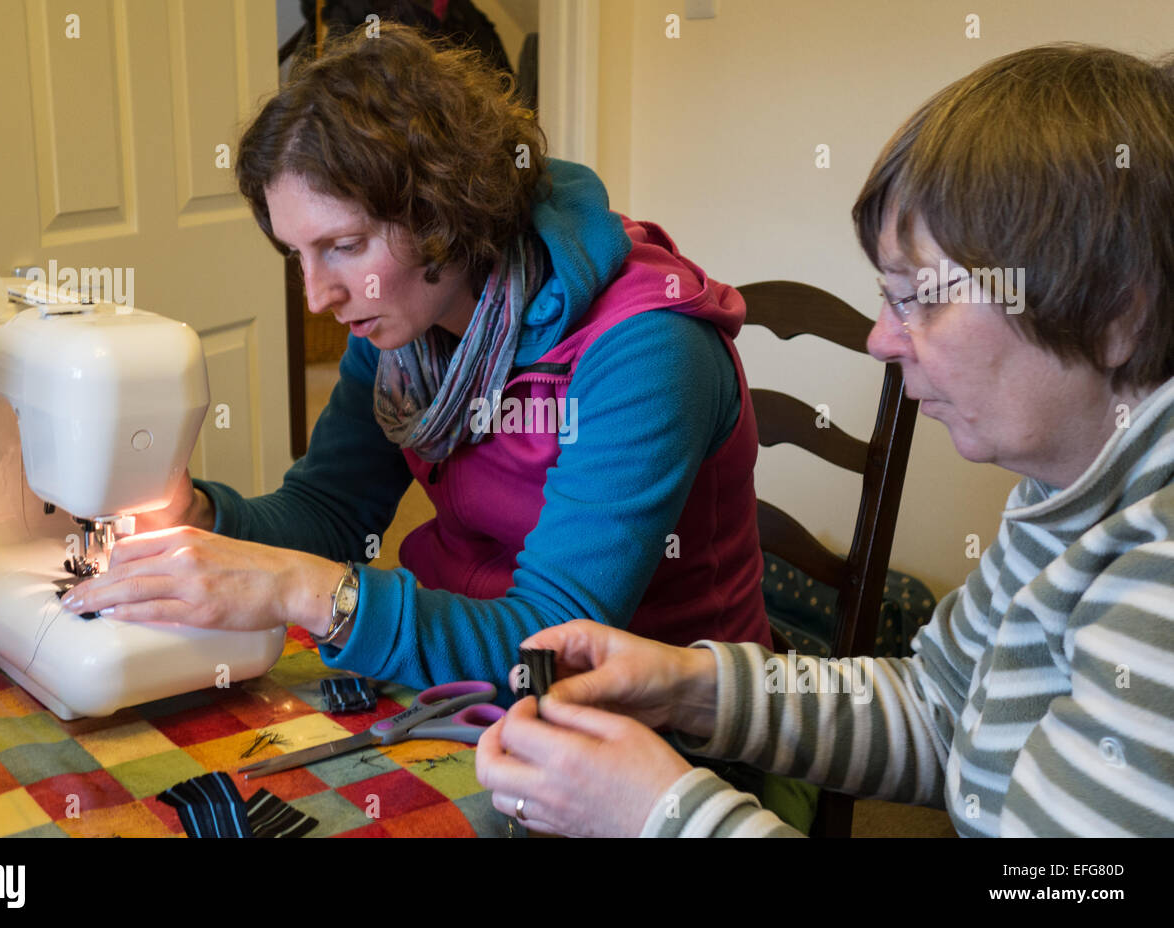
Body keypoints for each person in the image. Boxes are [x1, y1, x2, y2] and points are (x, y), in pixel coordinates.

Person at [475, 42, 1174, 837]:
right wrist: (687, 685)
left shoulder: (1158, 591)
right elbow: (943, 705)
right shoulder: (1069, 492)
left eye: (922, 298)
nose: (882, 340)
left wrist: (661, 815)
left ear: (1120, 311)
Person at [60, 24, 772, 700]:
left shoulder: (646, 348)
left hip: (662, 728)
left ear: (445, 208)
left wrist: (299, 588)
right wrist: (203, 516)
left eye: (343, 245)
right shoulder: (402, 332)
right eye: (296, 254)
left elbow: (555, 646)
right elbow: (331, 509)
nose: (317, 297)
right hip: (463, 678)